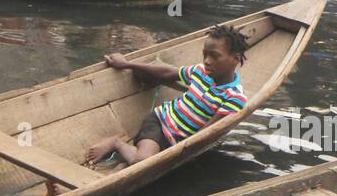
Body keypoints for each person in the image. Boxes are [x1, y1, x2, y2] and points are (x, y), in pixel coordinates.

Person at [85, 24, 249, 167]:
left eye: (214, 56)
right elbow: (167, 73)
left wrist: (177, 153)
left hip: (179, 141)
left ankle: (124, 160)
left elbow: (206, 133)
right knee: (142, 162)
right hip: (159, 122)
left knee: (140, 165)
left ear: (235, 59)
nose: (207, 61)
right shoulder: (200, 71)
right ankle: (117, 143)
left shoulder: (234, 98)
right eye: (205, 54)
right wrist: (127, 64)